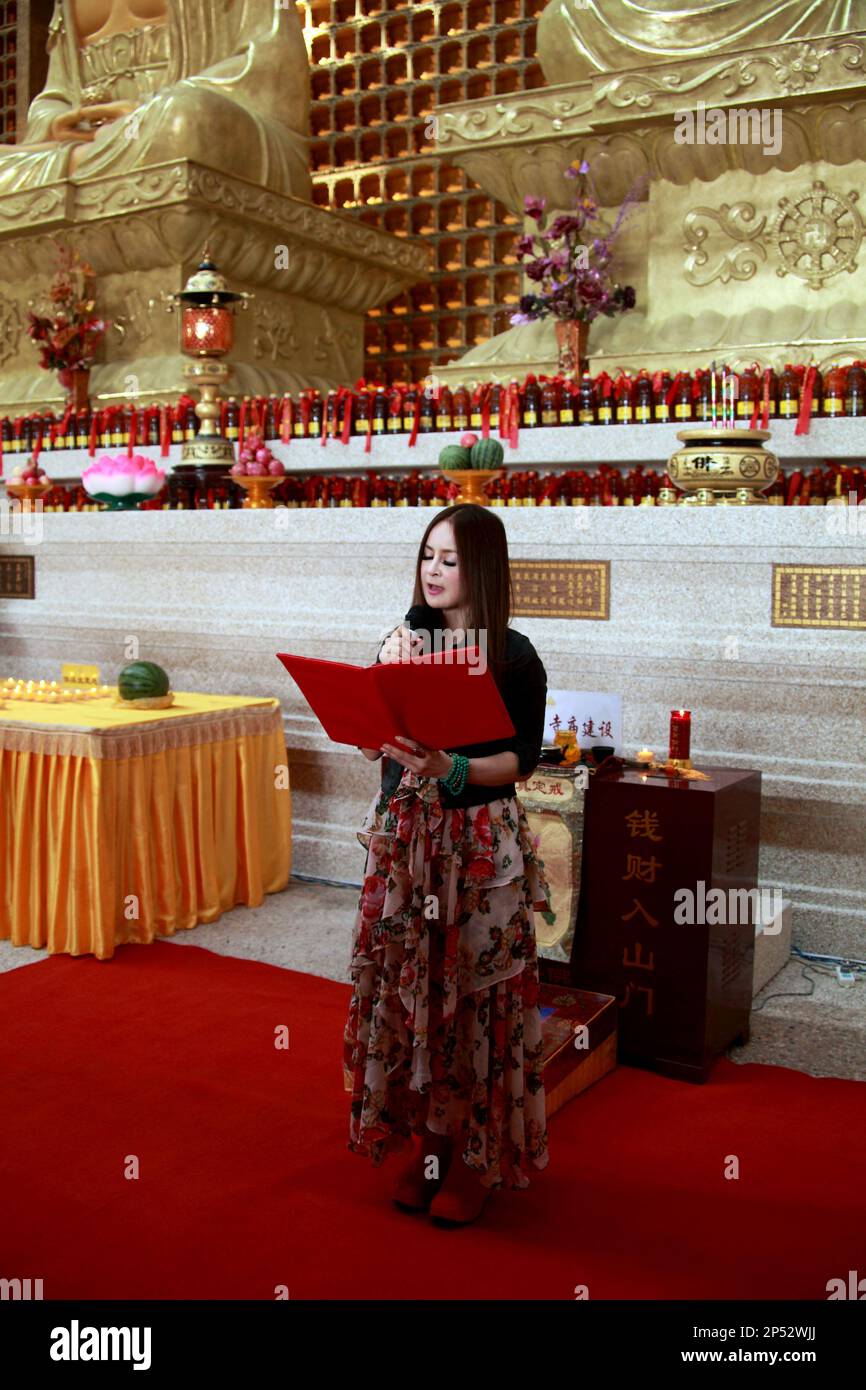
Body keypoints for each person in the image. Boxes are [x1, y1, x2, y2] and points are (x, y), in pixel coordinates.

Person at [342, 504, 552, 1227]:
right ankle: (427, 1142)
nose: (434, 571)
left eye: (451, 560)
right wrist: (373, 737)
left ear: (482, 568)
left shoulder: (515, 655)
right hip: (407, 846)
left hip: (478, 848)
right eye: (428, 556)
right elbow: (380, 734)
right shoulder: (401, 640)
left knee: (473, 996)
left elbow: (519, 763)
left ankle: (473, 1152)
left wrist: (450, 765)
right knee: (410, 993)